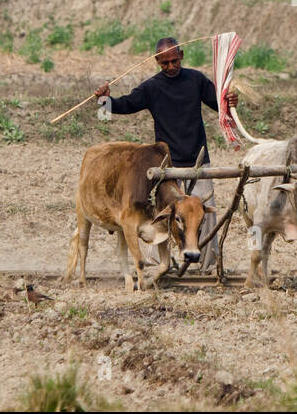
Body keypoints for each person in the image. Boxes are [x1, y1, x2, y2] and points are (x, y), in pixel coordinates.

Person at [94, 37, 237, 272]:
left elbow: (219, 105)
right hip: (166, 166)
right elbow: (124, 105)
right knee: (161, 215)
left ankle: (208, 265)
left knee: (205, 212)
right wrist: (104, 100)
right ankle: (157, 265)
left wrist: (230, 102)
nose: (170, 67)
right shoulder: (152, 87)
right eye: (164, 63)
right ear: (157, 61)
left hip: (198, 161)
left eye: (174, 61)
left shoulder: (197, 80)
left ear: (181, 55)